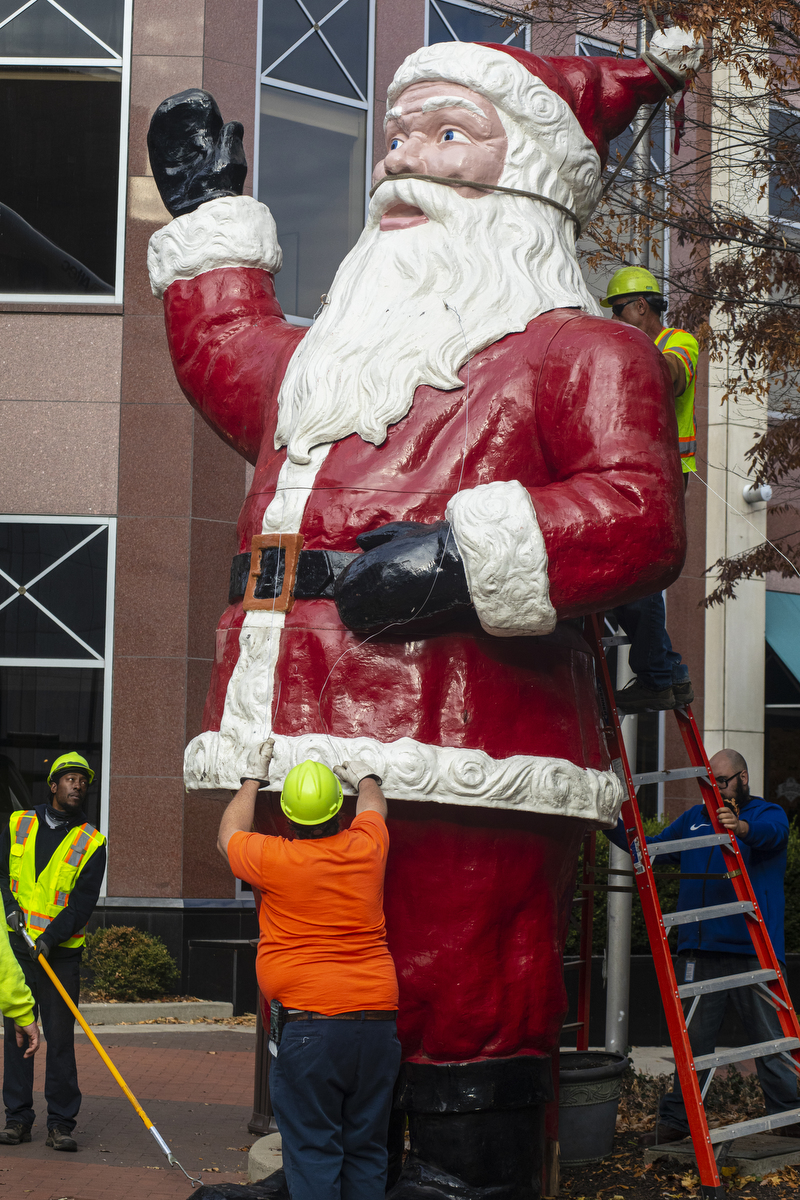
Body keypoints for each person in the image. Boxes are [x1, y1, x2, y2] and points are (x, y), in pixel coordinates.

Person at [148, 28, 703, 1198]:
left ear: (530, 176)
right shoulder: (328, 370)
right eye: (396, 135)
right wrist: (204, 223)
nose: (399, 162)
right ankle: (313, 1162)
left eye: (445, 134)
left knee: (461, 964)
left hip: (471, 740)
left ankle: (460, 1176)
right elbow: (233, 357)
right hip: (305, 726)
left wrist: (459, 557)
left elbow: (637, 515)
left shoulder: (582, 352)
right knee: (307, 962)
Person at [217, 740, 400, 1200]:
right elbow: (375, 806)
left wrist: (252, 779)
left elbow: (228, 835)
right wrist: (365, 777)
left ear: (290, 817)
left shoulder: (276, 858)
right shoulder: (367, 847)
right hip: (377, 1023)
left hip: (310, 1028)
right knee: (366, 1149)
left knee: (314, 1152)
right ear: (340, 813)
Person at [608, 748, 799, 1144]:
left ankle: (790, 1118)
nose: (715, 790)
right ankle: (679, 1122)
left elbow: (773, 836)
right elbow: (650, 847)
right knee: (692, 1042)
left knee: (771, 1040)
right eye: (709, 783)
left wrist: (740, 828)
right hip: (700, 949)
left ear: (743, 779)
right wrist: (605, 822)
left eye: (723, 782)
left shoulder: (766, 813)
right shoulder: (695, 819)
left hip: (753, 952)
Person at [602, 265, 700, 714]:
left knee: (638, 573)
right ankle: (668, 671)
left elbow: (674, 377)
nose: (619, 319)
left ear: (643, 306)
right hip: (633, 472)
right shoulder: (633, 342)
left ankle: (660, 675)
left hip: (662, 475)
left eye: (621, 310)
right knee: (620, 572)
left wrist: (626, 347)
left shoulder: (676, 341)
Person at [0, 752, 106, 1151]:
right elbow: (1, 873)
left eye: (83, 780)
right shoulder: (19, 823)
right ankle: (17, 1119)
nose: (77, 785)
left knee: (60, 1040)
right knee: (18, 1035)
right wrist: (9, 906)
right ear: (53, 785)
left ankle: (60, 1123)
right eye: (70, 779)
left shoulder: (91, 841)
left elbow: (81, 904)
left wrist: (50, 938)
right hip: (18, 948)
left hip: (59, 956)